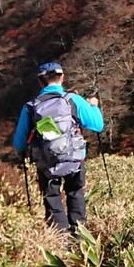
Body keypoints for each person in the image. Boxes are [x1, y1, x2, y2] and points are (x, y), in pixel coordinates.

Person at [12, 61, 105, 236]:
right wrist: (93, 106)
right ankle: (79, 237)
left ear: (40, 82)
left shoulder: (31, 107)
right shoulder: (72, 100)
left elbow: (19, 143)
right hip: (73, 158)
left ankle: (60, 240)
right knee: (75, 192)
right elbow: (98, 125)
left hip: (46, 162)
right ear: (62, 77)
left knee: (52, 198)